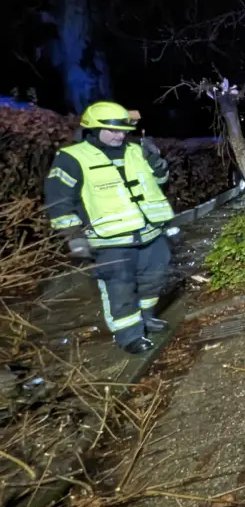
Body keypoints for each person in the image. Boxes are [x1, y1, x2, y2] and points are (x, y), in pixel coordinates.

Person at [44, 102, 174, 355]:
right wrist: (74, 236)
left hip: (150, 233)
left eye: (123, 130)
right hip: (109, 240)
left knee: (153, 279)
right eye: (111, 130)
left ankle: (146, 318)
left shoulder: (136, 151)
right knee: (120, 288)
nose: (119, 135)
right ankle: (129, 336)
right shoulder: (72, 158)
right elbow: (59, 200)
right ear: (93, 129)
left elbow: (159, 182)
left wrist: (157, 161)